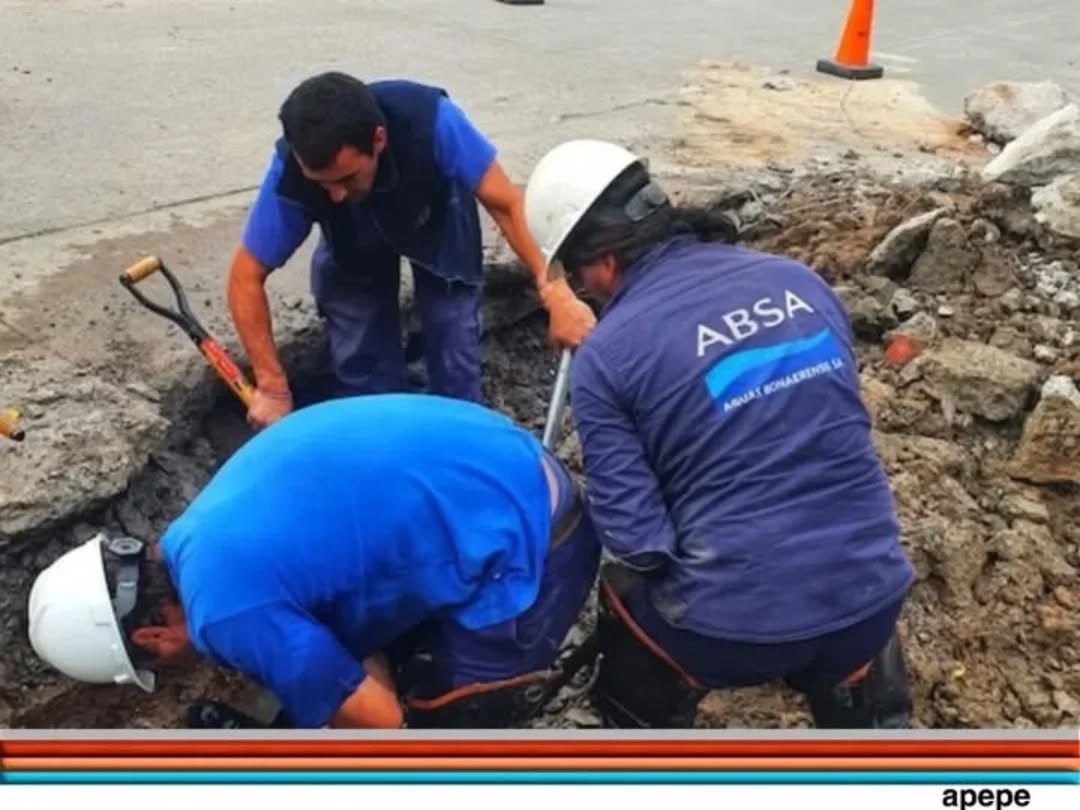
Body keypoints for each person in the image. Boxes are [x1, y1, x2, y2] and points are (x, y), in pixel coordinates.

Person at [522, 140, 917, 729]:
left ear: (602, 264)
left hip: (731, 635)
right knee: (842, 564)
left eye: (578, 278)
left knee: (626, 590)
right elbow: (829, 424)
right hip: (874, 603)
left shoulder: (607, 355)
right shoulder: (799, 283)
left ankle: (641, 751)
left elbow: (638, 542)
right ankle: (875, 731)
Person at [26, 395, 600, 729]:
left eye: (152, 664)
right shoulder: (197, 535)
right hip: (498, 465)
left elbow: (387, 729)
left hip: (530, 541)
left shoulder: (227, 614)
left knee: (441, 736)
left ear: (150, 635)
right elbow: (349, 633)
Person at [228, 71, 595, 429]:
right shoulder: (292, 172)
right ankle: (384, 441)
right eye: (321, 184)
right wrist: (272, 387)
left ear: (378, 140)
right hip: (352, 237)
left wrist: (556, 292)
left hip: (433, 213)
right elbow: (246, 276)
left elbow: (507, 205)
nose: (336, 194)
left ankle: (455, 441)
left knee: (453, 337)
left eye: (346, 178)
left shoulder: (432, 122)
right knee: (361, 358)